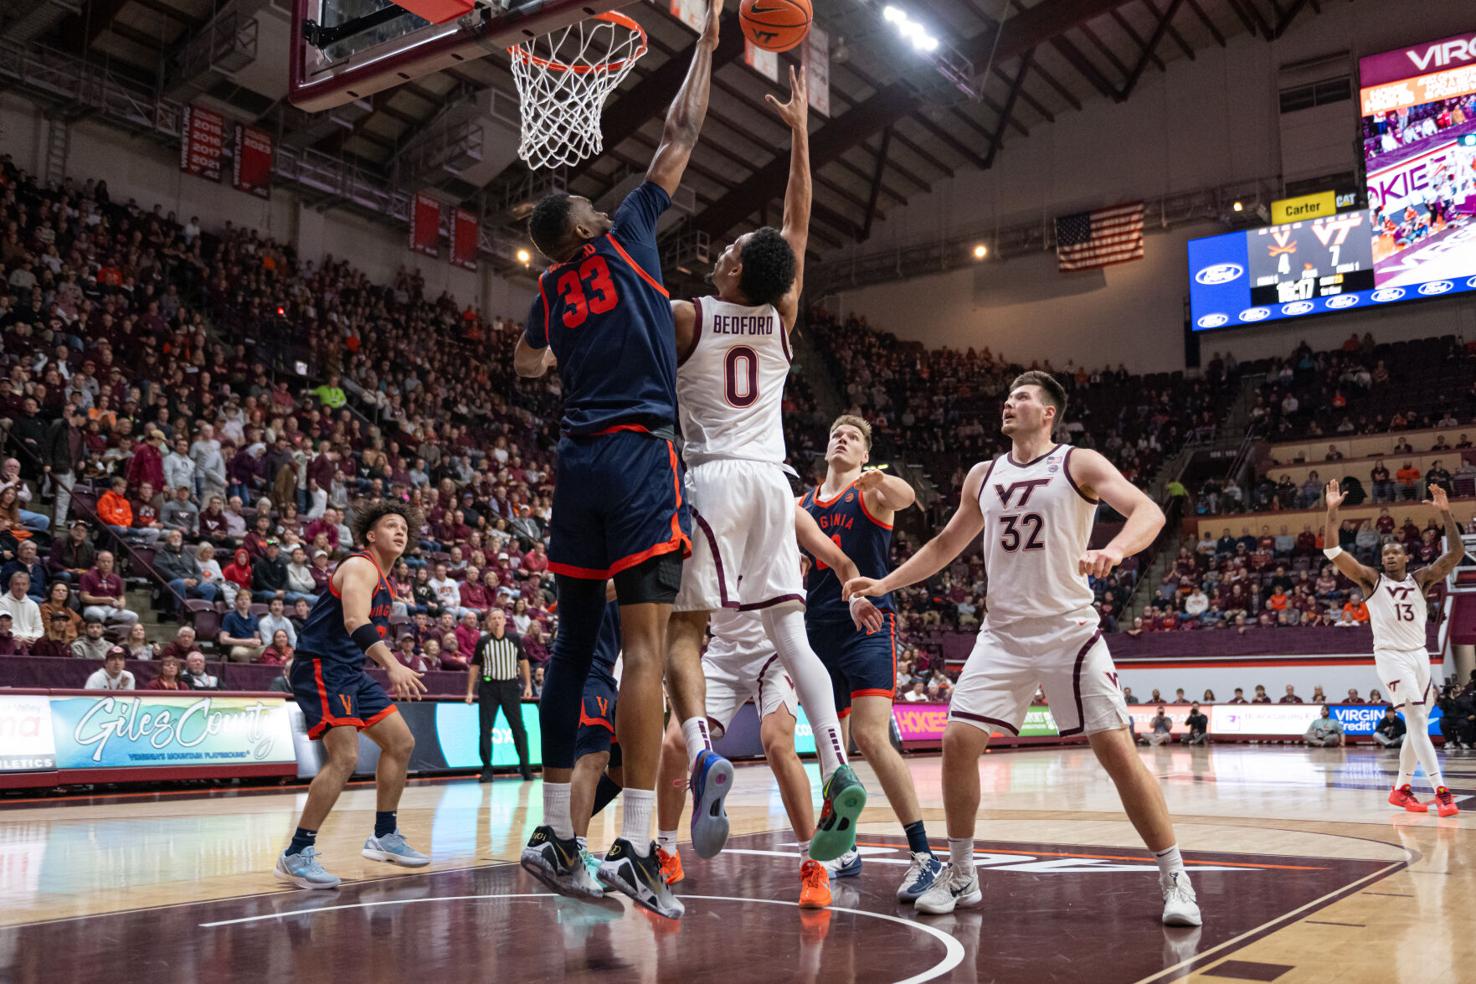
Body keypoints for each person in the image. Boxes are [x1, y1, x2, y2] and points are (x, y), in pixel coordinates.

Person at [846, 370, 1201, 926]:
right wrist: (884, 584)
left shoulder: (1078, 462)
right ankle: (962, 873)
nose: (1010, 404)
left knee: (1117, 754)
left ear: (1049, 413)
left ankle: (1175, 877)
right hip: (1003, 633)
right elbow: (944, 544)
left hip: (1068, 629)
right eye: (1008, 396)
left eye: (1023, 398)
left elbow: (1149, 512)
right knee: (959, 741)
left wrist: (1116, 550)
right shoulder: (982, 475)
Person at [511, 0, 721, 922]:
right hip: (638, 457)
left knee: (570, 647)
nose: (606, 202)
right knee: (641, 649)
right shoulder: (629, 232)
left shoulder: (550, 291)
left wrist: (559, 350)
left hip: (576, 464)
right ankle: (637, 847)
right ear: (593, 228)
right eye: (594, 205)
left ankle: (557, 835)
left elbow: (524, 365)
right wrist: (709, 42)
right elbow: (680, 132)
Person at [664, 64, 863, 872]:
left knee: (683, 631)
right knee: (792, 632)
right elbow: (799, 224)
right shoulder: (781, 320)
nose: (724, 247)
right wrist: (803, 140)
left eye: (734, 248)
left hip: (712, 479)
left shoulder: (687, 316)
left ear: (737, 272)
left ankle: (706, 753)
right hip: (776, 486)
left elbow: (781, 234)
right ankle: (838, 763)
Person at [798, 415, 939, 897]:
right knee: (829, 745)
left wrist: (884, 478)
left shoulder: (872, 493)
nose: (842, 438)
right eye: (836, 433)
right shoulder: (801, 504)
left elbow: (905, 498)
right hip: (816, 630)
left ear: (864, 453)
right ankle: (845, 847)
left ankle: (924, 855)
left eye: (854, 437)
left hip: (868, 625)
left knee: (870, 736)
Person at [276, 501, 430, 890]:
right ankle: (296, 853)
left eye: (404, 528)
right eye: (391, 526)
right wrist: (393, 665)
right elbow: (354, 621)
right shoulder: (360, 566)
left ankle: (383, 835)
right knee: (344, 756)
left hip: (350, 671)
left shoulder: (386, 579)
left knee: (401, 742)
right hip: (321, 667)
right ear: (369, 536)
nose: (400, 531)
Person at [1324, 478, 1461, 817]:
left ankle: (1401, 789)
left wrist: (1446, 514)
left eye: (1394, 552)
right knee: (1415, 718)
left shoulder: (1422, 579)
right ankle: (1441, 791)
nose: (1389, 556)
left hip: (1419, 656)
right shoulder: (1371, 579)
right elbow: (1332, 551)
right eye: (1385, 553)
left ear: (1405, 556)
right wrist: (1331, 513)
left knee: (1418, 725)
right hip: (1390, 656)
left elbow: (1456, 554)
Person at [465, 608, 533, 782]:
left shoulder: (514, 639)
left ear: (504, 621)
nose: (496, 621)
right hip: (489, 687)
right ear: (489, 622)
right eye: (493, 618)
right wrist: (470, 691)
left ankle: (525, 767)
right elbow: (474, 667)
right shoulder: (483, 641)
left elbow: (524, 661)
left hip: (511, 686)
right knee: (485, 728)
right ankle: (487, 770)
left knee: (518, 728)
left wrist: (528, 686)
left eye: (499, 618)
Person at [79, 552, 137, 625]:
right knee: (100, 615)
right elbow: (83, 597)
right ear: (97, 562)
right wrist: (105, 599)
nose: (106, 564)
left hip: (111, 609)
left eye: (109, 562)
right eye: (103, 561)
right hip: (91, 607)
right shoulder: (88, 575)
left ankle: (120, 634)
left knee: (133, 616)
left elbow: (121, 596)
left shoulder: (116, 578)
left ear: (112, 563)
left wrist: (121, 604)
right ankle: (103, 632)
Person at [0, 571, 43, 648]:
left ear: (28, 586)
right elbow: (3, 627)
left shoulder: (33, 605)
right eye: (17, 584)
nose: (20, 587)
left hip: (32, 642)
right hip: (10, 642)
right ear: (10, 585)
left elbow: (39, 629)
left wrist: (34, 638)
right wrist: (21, 639)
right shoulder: (2, 602)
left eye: (23, 584)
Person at [220, 590, 265, 663]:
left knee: (270, 651)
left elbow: (256, 637)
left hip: (251, 647)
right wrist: (246, 642)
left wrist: (257, 642)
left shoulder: (254, 618)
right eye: (241, 599)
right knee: (241, 653)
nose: (244, 601)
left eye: (246, 599)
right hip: (237, 647)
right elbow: (223, 639)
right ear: (236, 602)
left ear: (250, 602)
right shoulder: (229, 617)